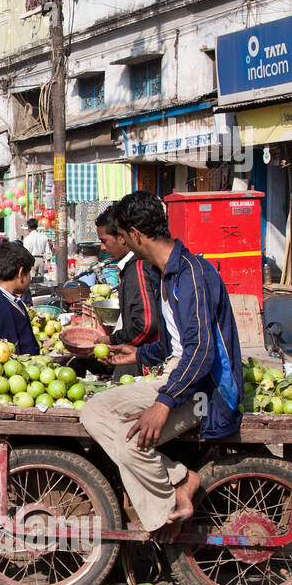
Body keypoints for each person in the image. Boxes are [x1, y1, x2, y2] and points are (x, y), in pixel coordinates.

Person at [80, 191, 243, 541]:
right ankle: (180, 480)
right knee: (92, 412)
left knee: (129, 443)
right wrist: (137, 355)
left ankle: (166, 514)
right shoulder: (165, 274)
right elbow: (175, 345)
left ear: (136, 234)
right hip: (176, 378)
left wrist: (163, 403)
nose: (122, 242)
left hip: (202, 391)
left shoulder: (193, 274)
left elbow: (201, 352)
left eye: (123, 236)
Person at [94, 207, 160, 382]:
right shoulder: (133, 267)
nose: (103, 247)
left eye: (104, 241)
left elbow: (146, 324)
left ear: (122, 238)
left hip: (144, 361)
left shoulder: (137, 268)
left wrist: (111, 339)